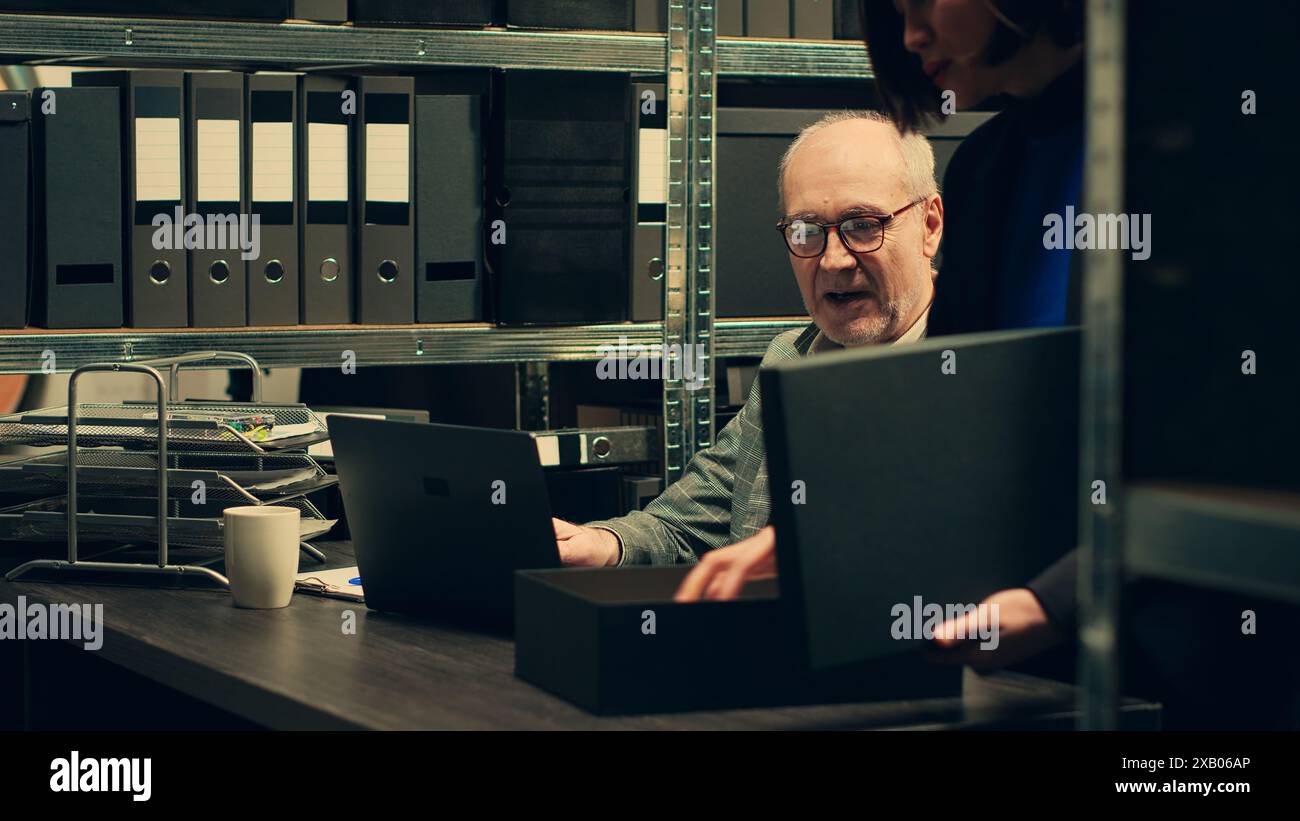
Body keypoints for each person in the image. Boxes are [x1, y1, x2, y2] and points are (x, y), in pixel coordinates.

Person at [675, 0, 1086, 675]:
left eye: (922, 1)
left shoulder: (1192, 145)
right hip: (1010, 659)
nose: (908, 35)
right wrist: (826, 537)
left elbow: (1221, 459)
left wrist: (1064, 599)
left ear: (929, 226)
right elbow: (962, 432)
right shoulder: (988, 167)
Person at [555, 111, 943, 568]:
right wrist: (598, 544)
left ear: (929, 226)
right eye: (806, 232)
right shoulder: (790, 361)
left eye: (863, 226)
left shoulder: (986, 365)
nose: (834, 260)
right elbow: (686, 524)